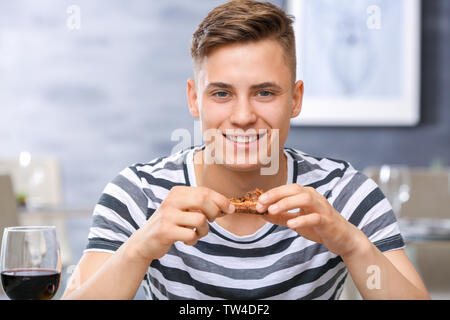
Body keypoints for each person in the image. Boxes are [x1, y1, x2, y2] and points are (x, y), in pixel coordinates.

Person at [62, 0, 430, 300]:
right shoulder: (137, 192)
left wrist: (351, 244)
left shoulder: (344, 193)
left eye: (264, 93)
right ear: (194, 99)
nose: (242, 117)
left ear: (296, 99)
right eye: (221, 93)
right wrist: (139, 248)